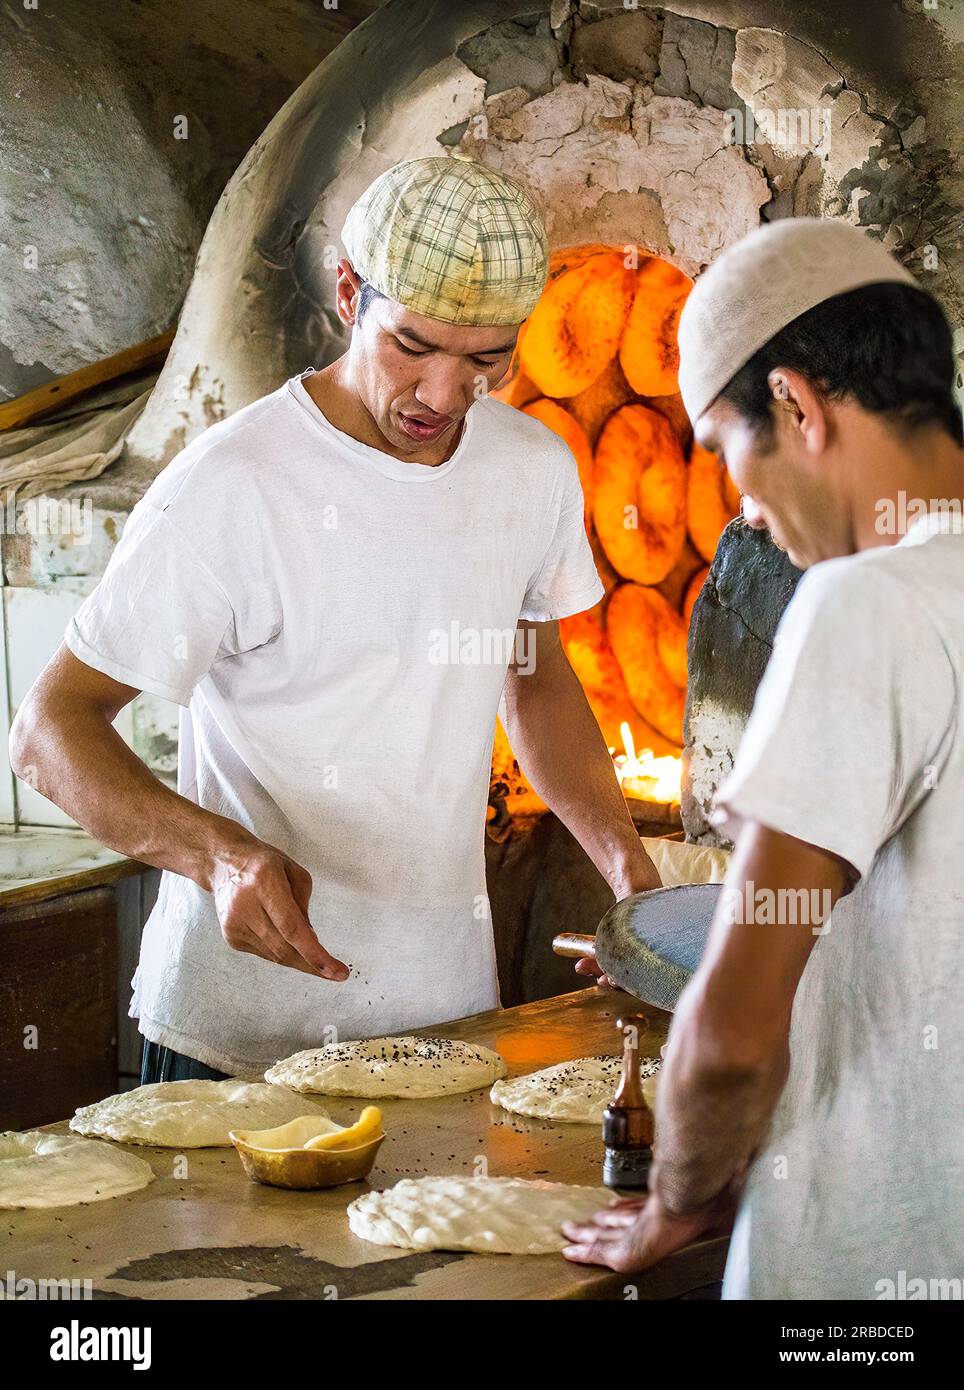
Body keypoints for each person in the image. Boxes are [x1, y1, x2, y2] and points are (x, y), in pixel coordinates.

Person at [10, 157, 659, 1082]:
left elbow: (534, 676)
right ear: (350, 294)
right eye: (412, 346)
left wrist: (628, 870)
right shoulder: (233, 483)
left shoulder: (531, 467)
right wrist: (221, 858)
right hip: (241, 1037)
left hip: (446, 1024)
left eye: (484, 360)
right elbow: (48, 730)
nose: (442, 395)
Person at [562, 218, 963, 1299]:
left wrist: (680, 1197)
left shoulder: (866, 602)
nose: (739, 505)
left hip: (871, 1258)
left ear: (795, 404)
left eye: (725, 450)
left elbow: (736, 1028)